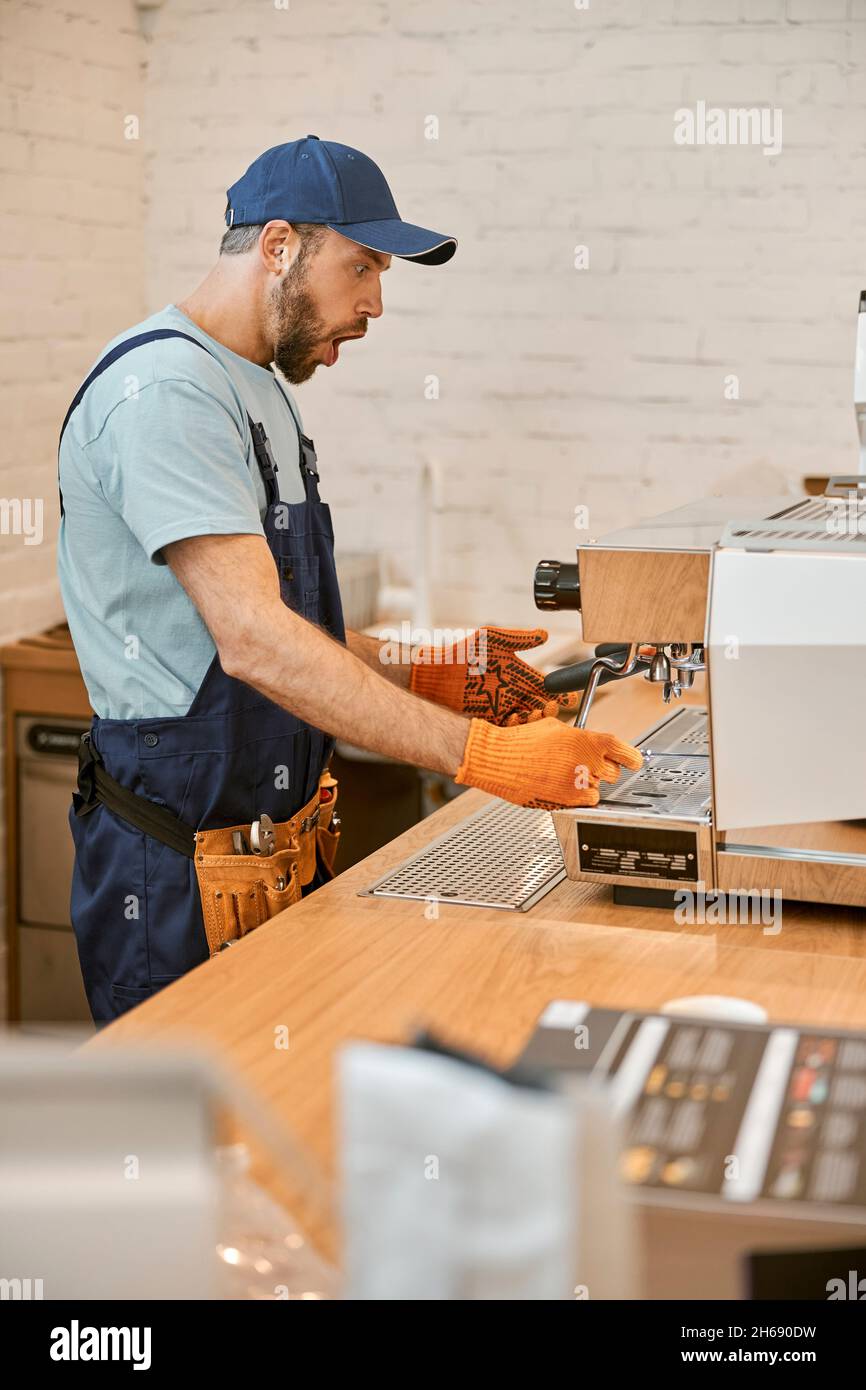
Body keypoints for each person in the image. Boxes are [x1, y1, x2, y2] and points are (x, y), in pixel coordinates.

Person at [57, 135, 641, 1024]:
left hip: (271, 861)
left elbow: (296, 633)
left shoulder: (258, 389)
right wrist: (481, 755)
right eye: (362, 266)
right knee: (193, 1110)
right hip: (173, 877)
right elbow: (254, 643)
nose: (375, 302)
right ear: (279, 246)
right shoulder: (167, 391)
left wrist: (433, 670)